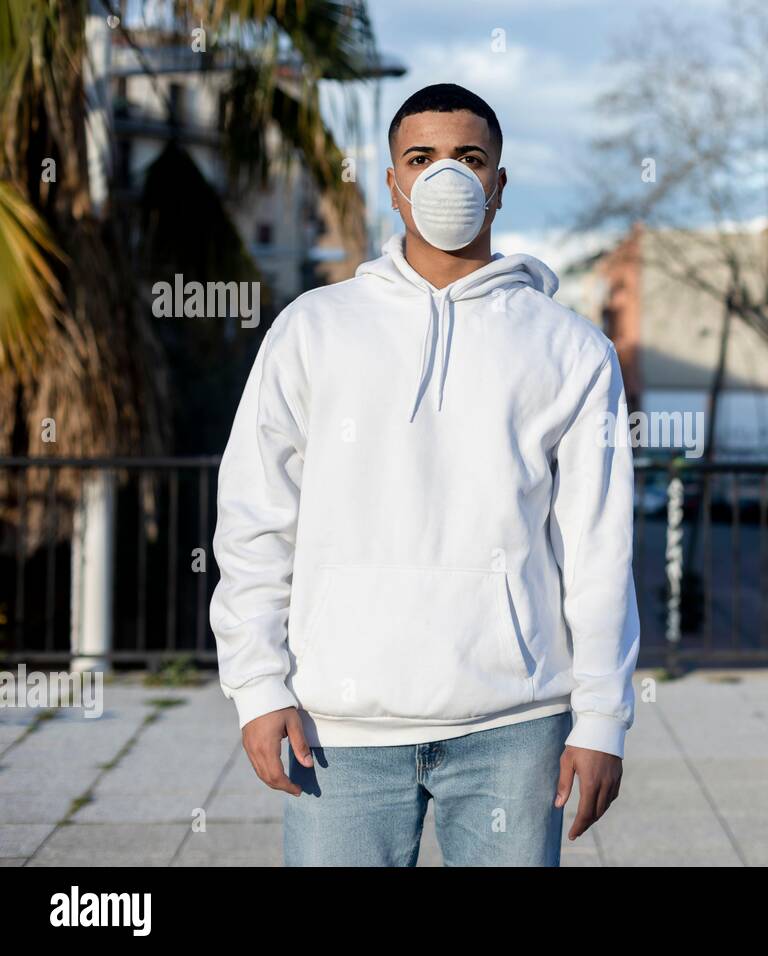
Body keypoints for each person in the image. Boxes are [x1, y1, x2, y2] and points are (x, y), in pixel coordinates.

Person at [209, 83, 639, 867]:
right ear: (393, 182)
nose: (449, 177)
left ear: (500, 183)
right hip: (337, 727)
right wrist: (258, 684)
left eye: (471, 158)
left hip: (516, 727)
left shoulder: (572, 349)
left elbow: (598, 549)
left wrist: (603, 717)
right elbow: (256, 518)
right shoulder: (312, 329)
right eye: (423, 157)